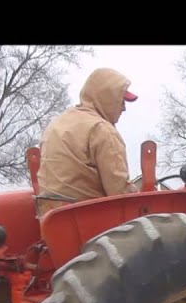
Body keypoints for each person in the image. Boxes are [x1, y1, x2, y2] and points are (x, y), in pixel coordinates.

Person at [35, 67, 140, 215]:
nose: (124, 109)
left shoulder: (57, 124)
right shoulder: (101, 130)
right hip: (89, 219)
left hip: (51, 217)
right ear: (108, 98)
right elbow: (120, 193)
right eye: (121, 101)